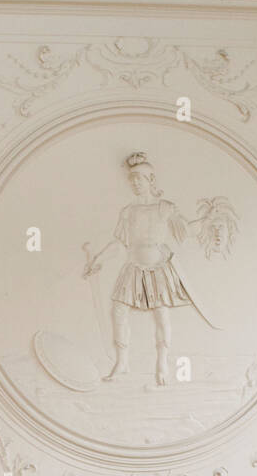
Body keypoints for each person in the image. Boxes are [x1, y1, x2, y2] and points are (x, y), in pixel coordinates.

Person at [83, 153, 216, 386]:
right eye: (131, 179)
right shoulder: (128, 211)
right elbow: (119, 243)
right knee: (118, 311)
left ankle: (162, 363)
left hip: (157, 268)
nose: (134, 182)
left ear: (151, 180)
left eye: (139, 178)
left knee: (161, 315)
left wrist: (206, 221)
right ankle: (122, 362)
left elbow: (185, 230)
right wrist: (98, 259)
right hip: (133, 267)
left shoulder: (164, 208)